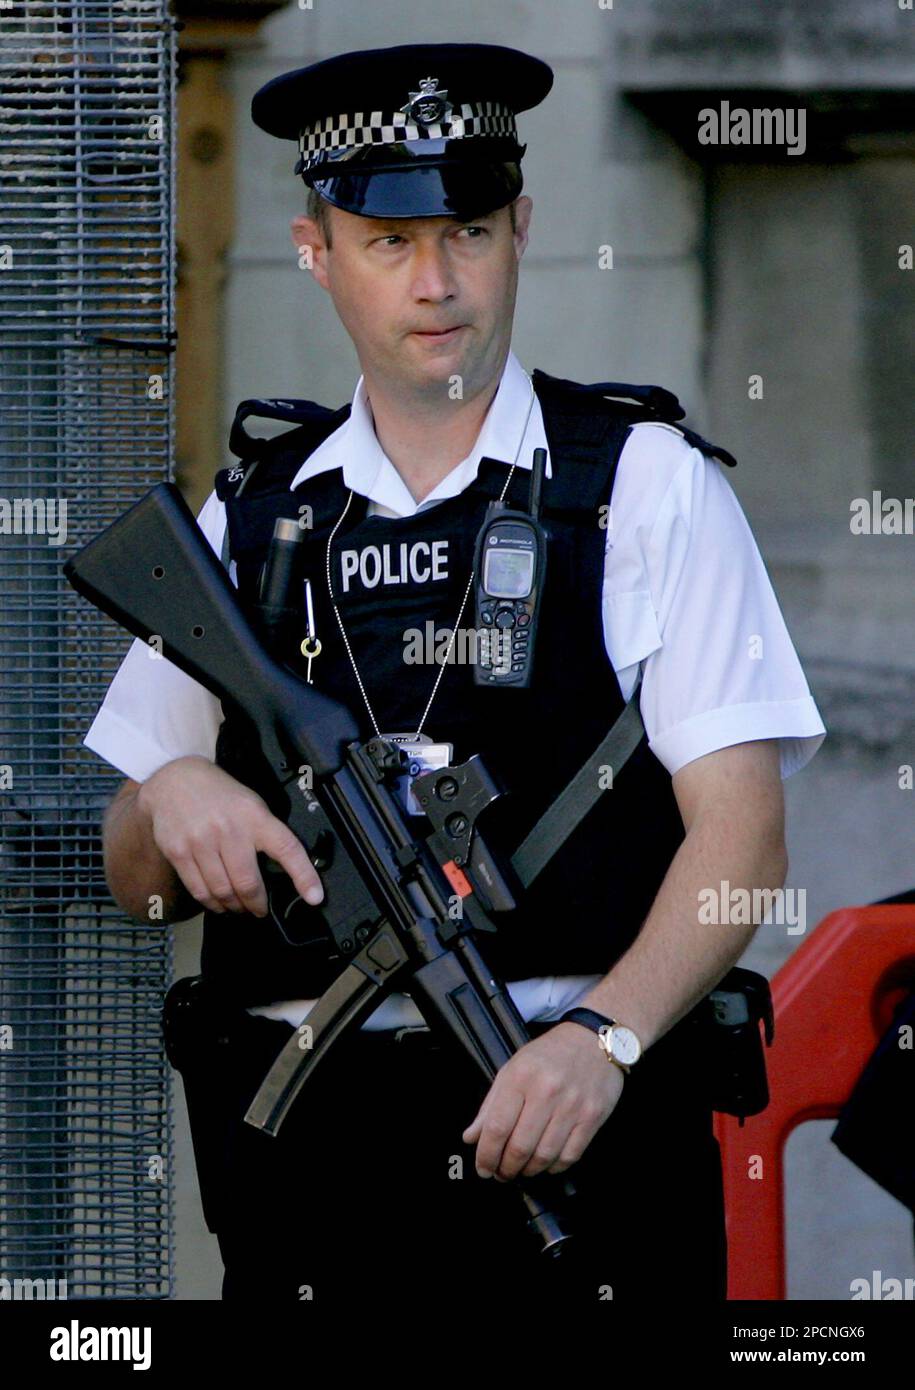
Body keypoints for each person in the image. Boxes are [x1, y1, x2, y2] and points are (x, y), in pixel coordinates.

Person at [83, 42, 826, 1305]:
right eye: (388, 241)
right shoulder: (256, 518)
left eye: (470, 231)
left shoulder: (642, 486)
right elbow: (137, 888)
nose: (439, 283)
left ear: (521, 227)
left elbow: (743, 842)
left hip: (578, 1128)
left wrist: (606, 1035)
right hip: (311, 1178)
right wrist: (166, 800)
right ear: (315, 251)